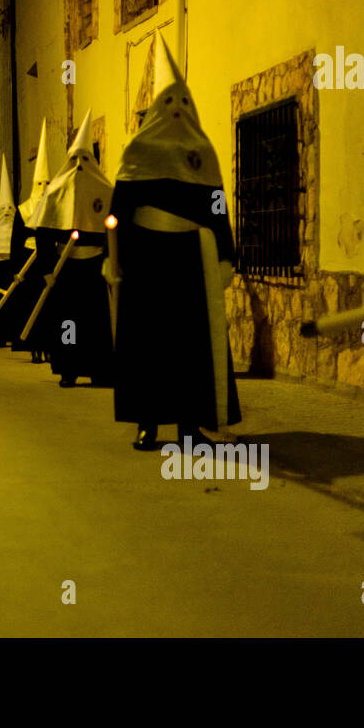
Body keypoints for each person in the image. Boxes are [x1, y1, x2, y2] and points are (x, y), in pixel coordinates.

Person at [111, 33, 239, 448]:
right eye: (170, 102)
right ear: (155, 110)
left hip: (190, 259)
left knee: (190, 344)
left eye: (184, 101)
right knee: (148, 344)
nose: (178, 110)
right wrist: (117, 258)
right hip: (148, 257)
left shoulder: (204, 153)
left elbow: (217, 207)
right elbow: (119, 213)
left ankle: (190, 423)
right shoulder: (137, 151)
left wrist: (225, 254)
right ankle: (147, 422)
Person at [25, 111, 114, 387]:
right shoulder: (56, 192)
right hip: (66, 266)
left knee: (96, 321)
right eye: (74, 160)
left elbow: (113, 228)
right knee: (68, 322)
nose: (78, 166)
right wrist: (47, 269)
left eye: (84, 159)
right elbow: (44, 232)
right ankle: (68, 368)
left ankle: (99, 369)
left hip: (95, 264)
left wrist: (112, 261)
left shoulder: (104, 190)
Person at [0, 121, 53, 358]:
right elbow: (15, 242)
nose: (43, 188)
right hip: (28, 262)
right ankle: (32, 345)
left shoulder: (55, 206)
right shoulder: (24, 210)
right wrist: (17, 268)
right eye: (39, 184)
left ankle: (52, 345)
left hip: (49, 260)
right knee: (29, 303)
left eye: (47, 183)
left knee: (50, 306)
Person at [0, 154, 28, 345]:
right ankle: (0, 335)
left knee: (16, 304)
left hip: (13, 268)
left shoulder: (19, 226)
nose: (7, 211)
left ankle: (15, 335)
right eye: (4, 208)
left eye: (11, 208)